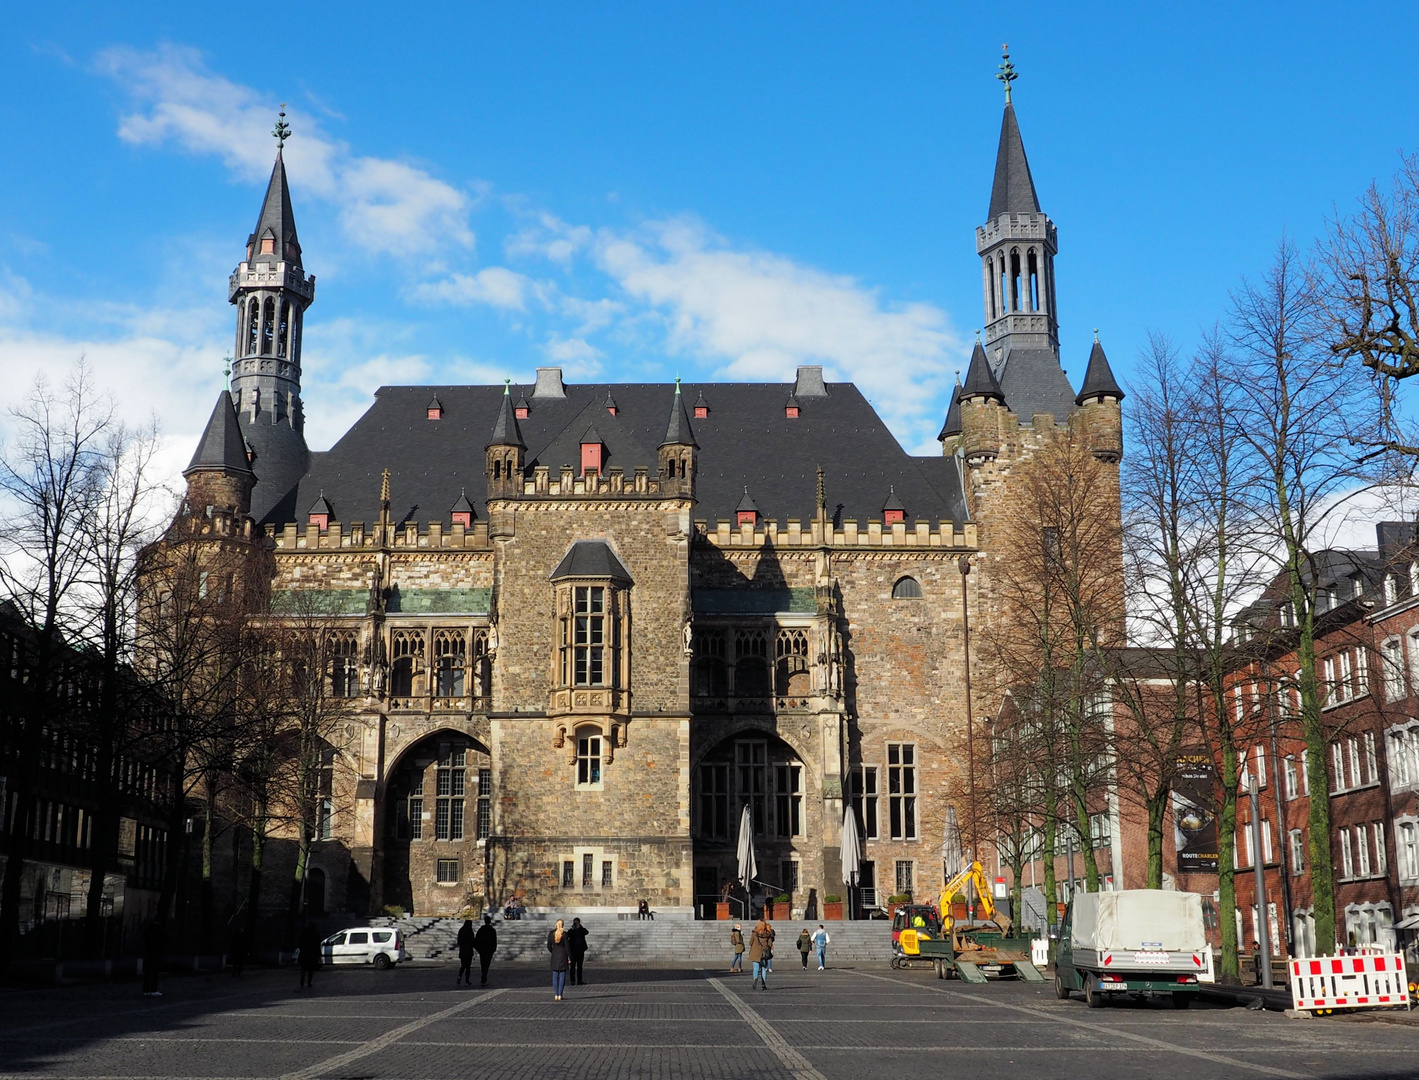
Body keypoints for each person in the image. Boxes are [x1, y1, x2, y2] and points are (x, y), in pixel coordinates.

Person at [141, 916, 165, 997]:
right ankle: (153, 989)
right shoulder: (158, 931)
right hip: (155, 953)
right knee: (154, 972)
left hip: (148, 953)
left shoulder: (148, 930)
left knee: (148, 972)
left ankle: (146, 990)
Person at [749, 918, 775, 990]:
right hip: (764, 953)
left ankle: (755, 979)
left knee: (756, 968)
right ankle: (763, 984)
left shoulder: (754, 933)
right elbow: (770, 944)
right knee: (764, 969)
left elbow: (750, 943)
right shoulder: (768, 933)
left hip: (756, 952)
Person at [547, 918, 570, 1001]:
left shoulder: (551, 934)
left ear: (556, 924)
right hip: (563, 956)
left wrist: (553, 952)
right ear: (563, 925)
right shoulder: (565, 934)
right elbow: (567, 947)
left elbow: (548, 946)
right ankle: (560, 994)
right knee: (562, 976)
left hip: (555, 956)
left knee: (555, 975)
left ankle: (556, 994)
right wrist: (569, 957)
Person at [297, 921, 322, 990]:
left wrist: (302, 949)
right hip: (312, 954)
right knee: (310, 969)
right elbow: (317, 945)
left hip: (304, 953)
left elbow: (300, 943)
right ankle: (309, 982)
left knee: (304, 968)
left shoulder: (304, 933)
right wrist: (319, 955)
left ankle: (302, 980)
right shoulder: (315, 934)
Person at [474, 914, 497, 985]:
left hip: (482, 950)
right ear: (490, 921)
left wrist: (479, 949)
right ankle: (484, 977)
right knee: (486, 964)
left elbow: (476, 940)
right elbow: (494, 941)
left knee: (483, 964)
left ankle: (483, 977)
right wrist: (493, 949)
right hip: (489, 950)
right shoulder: (492, 930)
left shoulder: (481, 930)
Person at [567, 917, 590, 986]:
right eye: (575, 922)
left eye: (577, 922)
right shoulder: (571, 930)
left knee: (580, 966)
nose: (576, 923)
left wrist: (580, 927)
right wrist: (573, 929)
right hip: (573, 951)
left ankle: (580, 980)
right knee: (572, 967)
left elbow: (586, 932)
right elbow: (568, 935)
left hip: (580, 951)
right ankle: (572, 980)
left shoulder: (581, 930)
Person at [456, 918, 475, 986]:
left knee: (463, 966)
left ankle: (459, 976)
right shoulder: (470, 931)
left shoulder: (461, 930)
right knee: (468, 967)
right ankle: (467, 980)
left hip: (463, 951)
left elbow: (459, 941)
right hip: (469, 951)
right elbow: (473, 941)